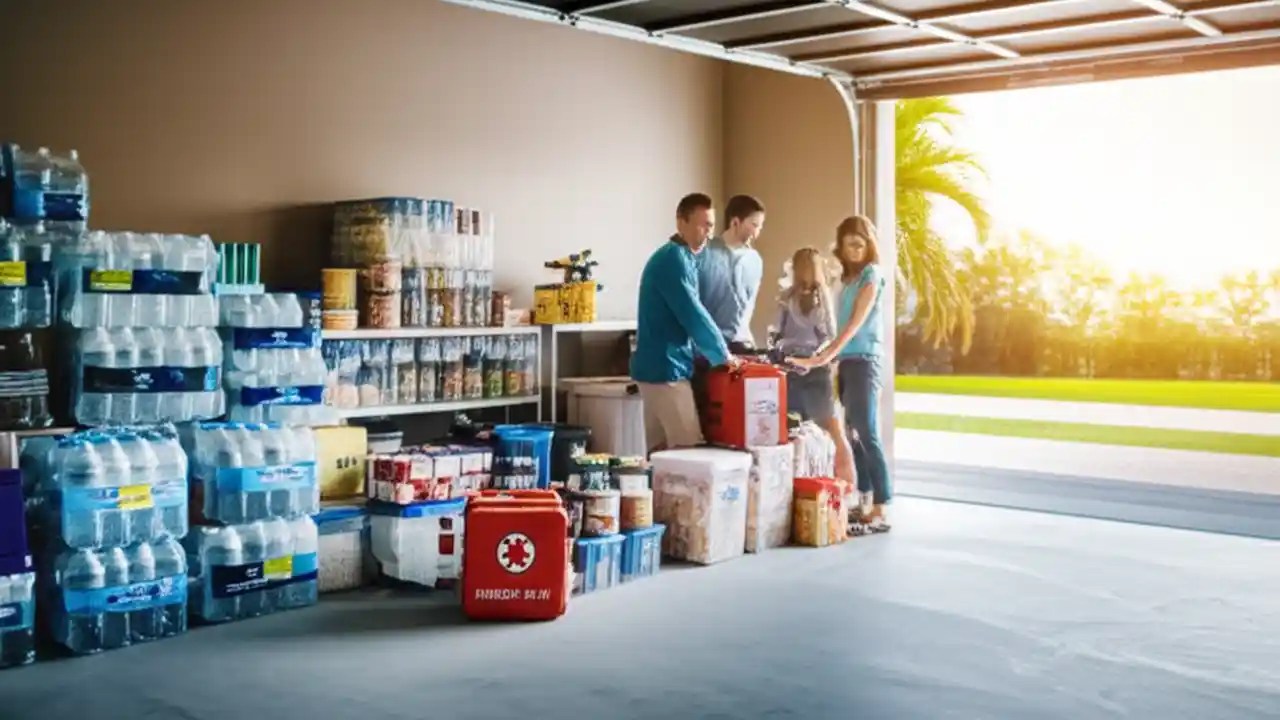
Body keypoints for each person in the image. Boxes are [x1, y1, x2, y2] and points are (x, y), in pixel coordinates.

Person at [787, 216, 891, 533]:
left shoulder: (872, 275)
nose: (856, 250)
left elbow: (854, 325)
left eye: (861, 244)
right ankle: (863, 501)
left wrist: (823, 357)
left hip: (864, 360)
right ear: (842, 248)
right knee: (854, 433)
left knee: (867, 431)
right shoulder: (848, 279)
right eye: (850, 245)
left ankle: (881, 506)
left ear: (869, 244)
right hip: (847, 361)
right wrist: (830, 358)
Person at [631, 193, 741, 453]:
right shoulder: (674, 260)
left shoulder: (680, 256)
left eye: (711, 226)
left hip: (654, 368)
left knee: (658, 454)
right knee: (688, 451)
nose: (707, 232)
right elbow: (693, 314)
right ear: (681, 222)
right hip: (667, 368)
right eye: (702, 224)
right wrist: (722, 354)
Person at [772, 247, 856, 490]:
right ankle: (845, 488)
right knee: (833, 429)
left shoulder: (786, 298)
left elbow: (777, 333)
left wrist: (781, 349)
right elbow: (829, 334)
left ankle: (800, 485)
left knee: (794, 430)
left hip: (792, 367)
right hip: (818, 368)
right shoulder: (825, 297)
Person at [696, 194, 766, 353]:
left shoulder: (754, 260)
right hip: (708, 346)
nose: (757, 233)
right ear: (735, 222)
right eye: (754, 225)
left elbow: (747, 306)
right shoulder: (704, 254)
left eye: (760, 227)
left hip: (741, 343)